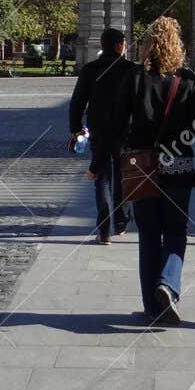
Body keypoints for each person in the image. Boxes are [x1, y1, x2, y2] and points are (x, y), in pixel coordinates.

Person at [112, 16, 195, 325]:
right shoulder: (190, 80)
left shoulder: (134, 77)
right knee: (177, 231)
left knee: (149, 234)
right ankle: (168, 284)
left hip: (143, 163)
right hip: (178, 162)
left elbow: (119, 121)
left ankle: (151, 307)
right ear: (178, 44)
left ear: (147, 44)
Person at [68, 27, 137, 244]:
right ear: (119, 46)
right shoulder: (131, 70)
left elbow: (77, 101)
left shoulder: (90, 69)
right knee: (124, 176)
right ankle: (122, 221)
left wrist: (76, 127)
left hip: (99, 129)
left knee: (102, 178)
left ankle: (104, 229)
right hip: (125, 132)